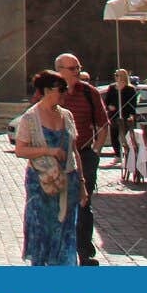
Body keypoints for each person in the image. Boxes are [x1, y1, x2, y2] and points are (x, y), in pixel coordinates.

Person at [13, 69, 84, 266]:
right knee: (41, 229)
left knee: (65, 231)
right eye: (60, 89)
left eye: (65, 89)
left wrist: (82, 183)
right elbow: (20, 150)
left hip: (67, 182)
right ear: (46, 90)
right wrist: (48, 151)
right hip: (41, 183)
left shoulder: (67, 116)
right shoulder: (30, 117)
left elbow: (74, 151)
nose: (64, 94)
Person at [53, 51, 108, 265]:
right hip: (56, 157)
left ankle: (84, 252)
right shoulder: (50, 93)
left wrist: (96, 150)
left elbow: (103, 123)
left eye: (78, 67)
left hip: (84, 155)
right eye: (73, 68)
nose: (78, 72)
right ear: (60, 71)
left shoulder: (89, 92)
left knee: (83, 203)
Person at [104, 69, 139, 166]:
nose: (116, 76)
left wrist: (132, 115)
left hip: (126, 115)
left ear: (123, 76)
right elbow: (106, 102)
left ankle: (129, 155)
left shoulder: (130, 89)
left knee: (127, 137)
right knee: (114, 136)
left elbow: (133, 104)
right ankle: (118, 155)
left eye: (118, 75)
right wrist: (109, 106)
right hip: (114, 115)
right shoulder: (112, 87)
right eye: (115, 75)